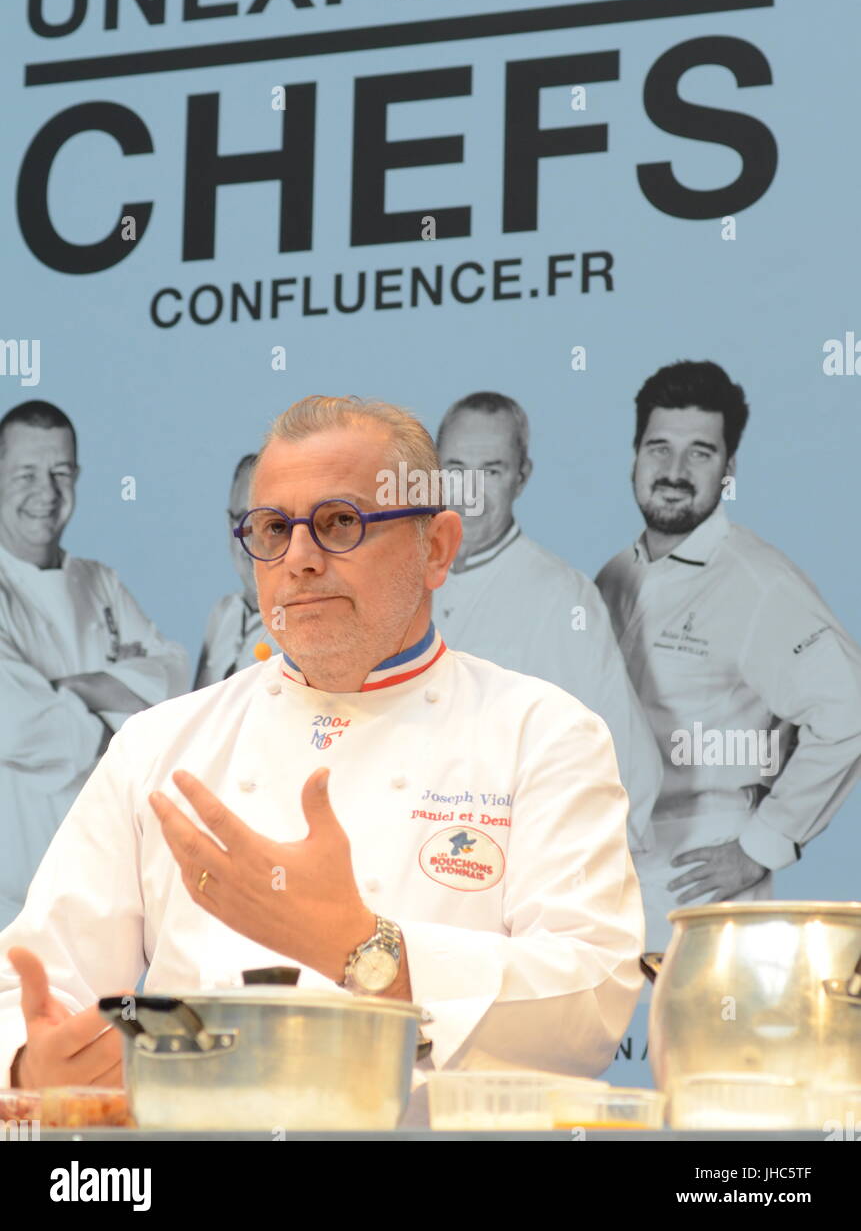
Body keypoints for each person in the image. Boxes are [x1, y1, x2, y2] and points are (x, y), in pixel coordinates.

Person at [0, 395, 644, 1088]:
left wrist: (364, 950)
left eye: (340, 523)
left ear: (435, 548)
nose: (298, 559)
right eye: (272, 529)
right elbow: (34, 984)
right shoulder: (157, 747)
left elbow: (590, 999)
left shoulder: (541, 733)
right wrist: (31, 1061)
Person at [596, 361, 861, 949]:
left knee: (689, 1042)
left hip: (696, 889)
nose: (673, 471)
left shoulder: (757, 584)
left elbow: (849, 711)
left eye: (700, 453)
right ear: (635, 456)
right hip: (600, 880)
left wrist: (762, 845)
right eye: (658, 448)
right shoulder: (615, 575)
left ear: (729, 469)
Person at [435, 391, 661, 856]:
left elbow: (630, 771)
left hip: (505, 882)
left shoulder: (560, 598)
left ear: (522, 477)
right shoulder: (391, 582)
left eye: (491, 471)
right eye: (455, 469)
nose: (469, 491)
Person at [0, 401, 188, 929]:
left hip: (103, 896)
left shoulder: (99, 581)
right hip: (11, 901)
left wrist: (67, 688)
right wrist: (120, 709)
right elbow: (19, 726)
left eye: (61, 473)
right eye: (26, 474)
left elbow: (173, 683)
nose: (47, 492)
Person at [193, 454, 279, 687]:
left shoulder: (310, 622)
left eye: (271, 524)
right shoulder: (223, 614)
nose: (256, 541)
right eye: (244, 521)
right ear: (229, 525)